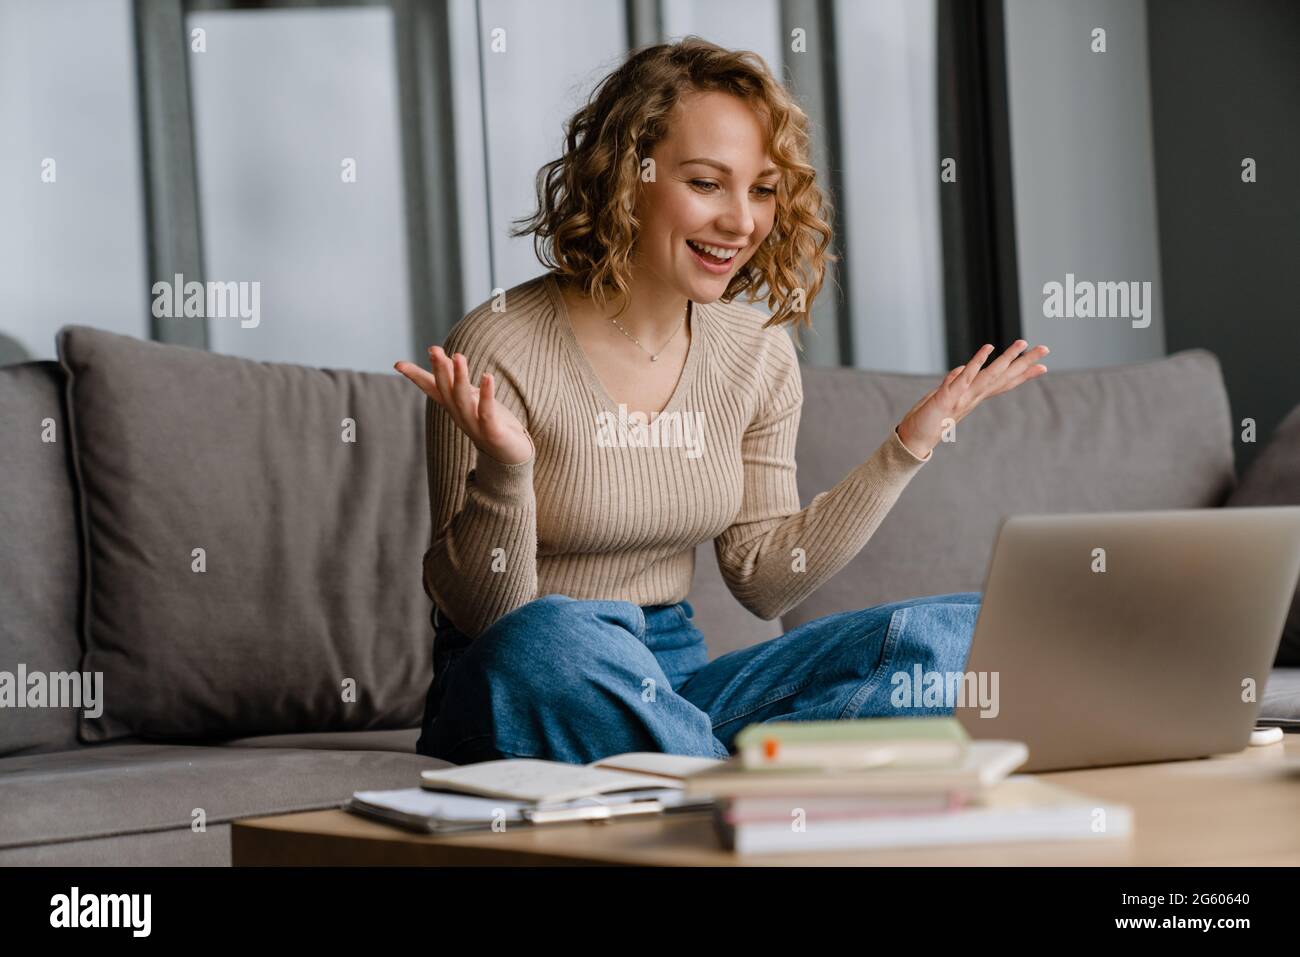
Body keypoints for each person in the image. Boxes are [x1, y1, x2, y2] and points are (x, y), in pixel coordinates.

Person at [394, 37, 1048, 766]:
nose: (742, 221)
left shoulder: (755, 351)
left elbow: (766, 580)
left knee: (965, 630)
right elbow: (488, 617)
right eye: (708, 183)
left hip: (672, 679)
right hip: (525, 674)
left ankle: (685, 764)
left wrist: (907, 448)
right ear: (625, 177)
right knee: (549, 638)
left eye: (762, 189)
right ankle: (736, 778)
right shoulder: (497, 344)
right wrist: (506, 473)